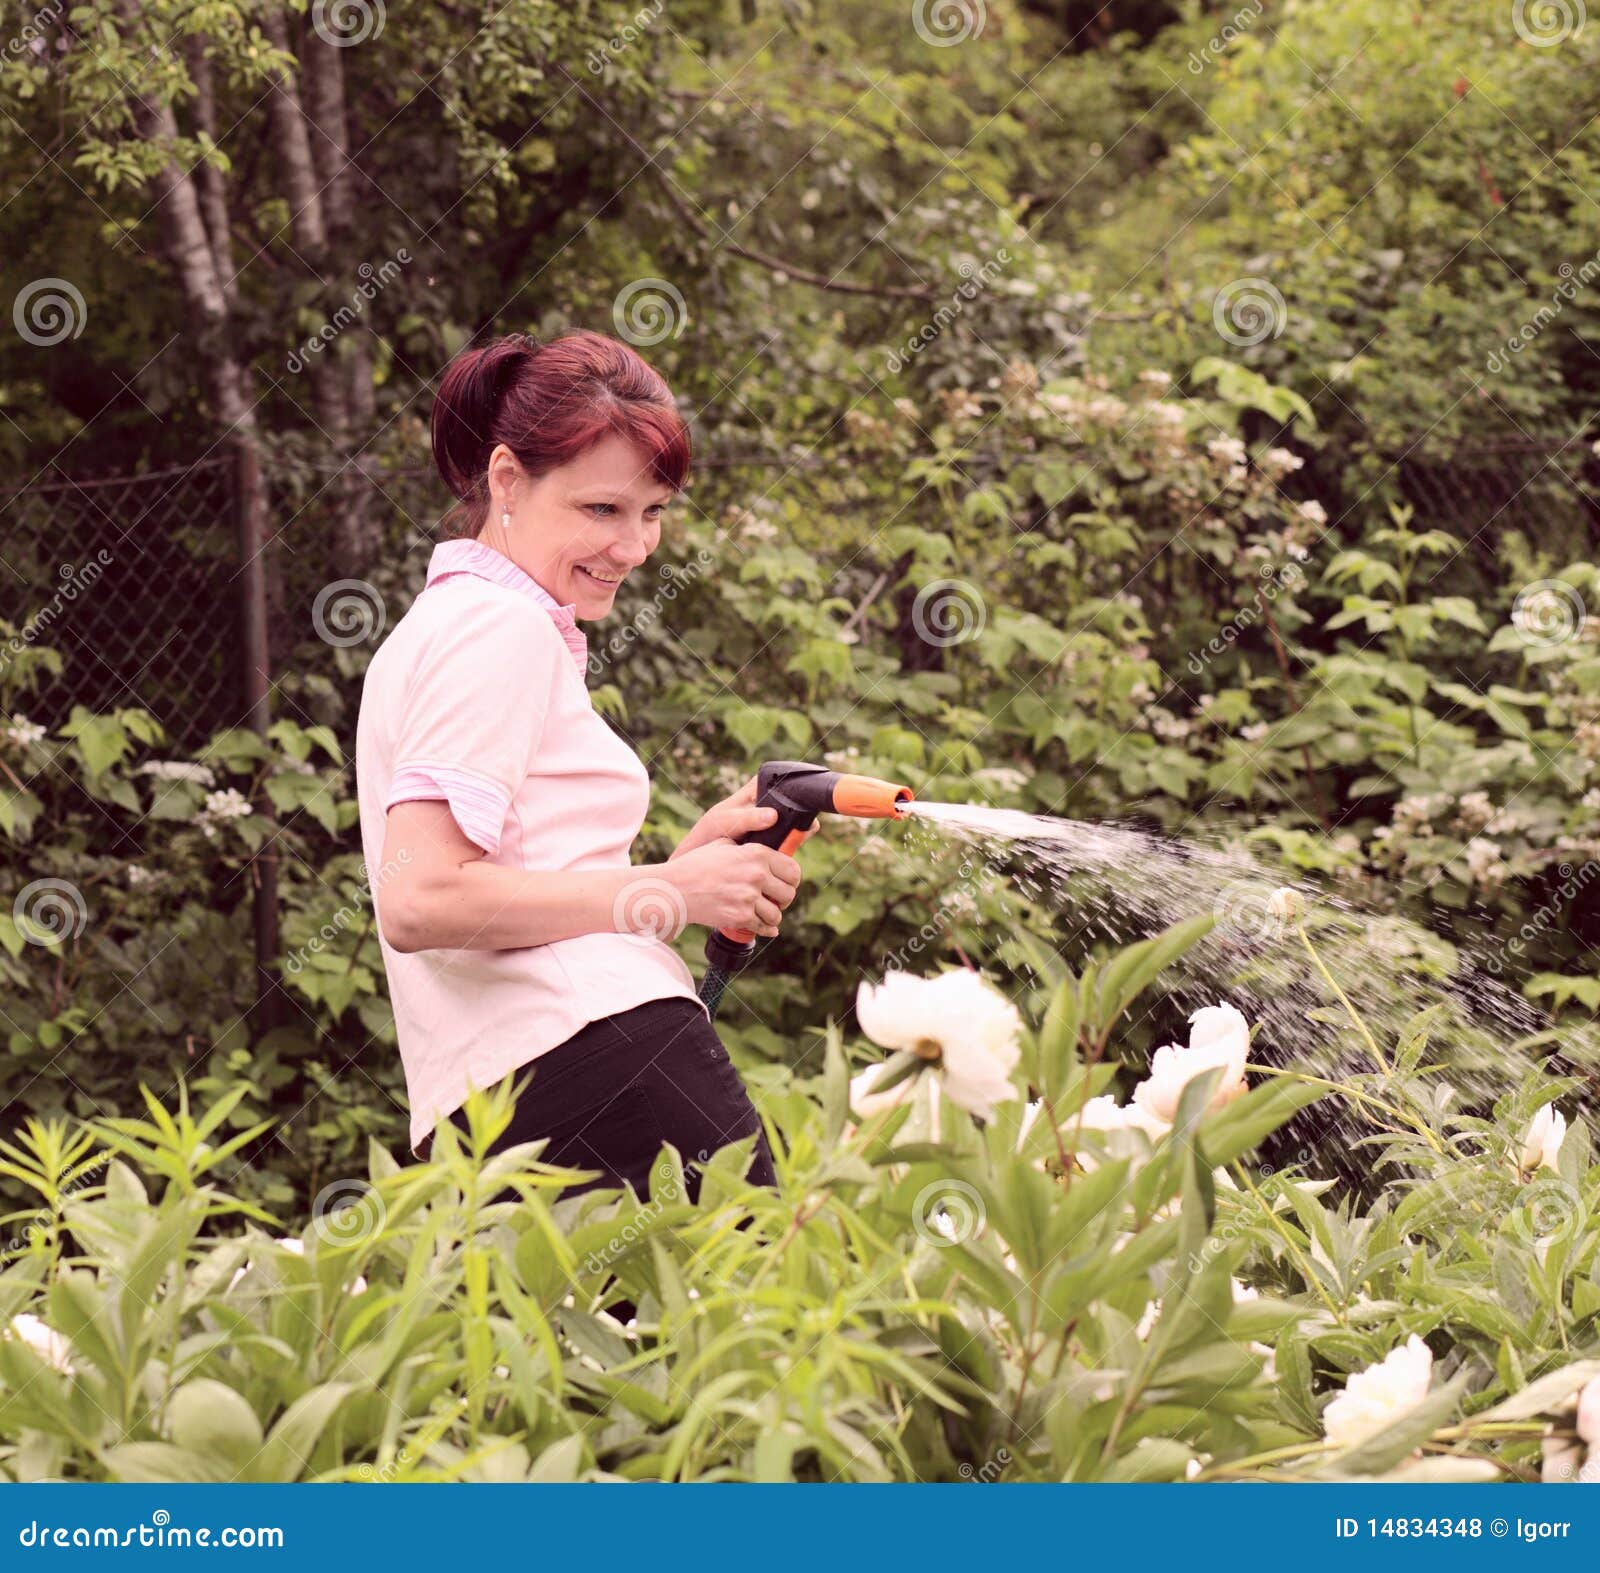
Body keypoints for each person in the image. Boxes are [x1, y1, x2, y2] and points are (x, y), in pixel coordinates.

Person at [354, 330, 804, 1201]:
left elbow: (516, 891)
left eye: (654, 511)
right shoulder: (499, 628)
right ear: (507, 480)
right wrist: (677, 894)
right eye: (603, 510)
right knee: (778, 1326)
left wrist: (675, 874)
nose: (634, 547)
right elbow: (418, 896)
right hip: (599, 1058)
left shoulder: (446, 626)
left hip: (510, 1095)